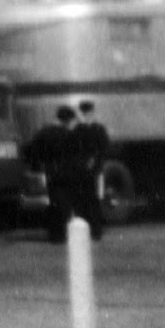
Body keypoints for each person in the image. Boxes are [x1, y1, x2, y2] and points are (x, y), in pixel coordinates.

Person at [25, 105, 77, 242]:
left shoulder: (44, 132)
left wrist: (38, 165)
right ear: (68, 120)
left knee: (54, 202)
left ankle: (54, 234)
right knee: (65, 204)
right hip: (67, 173)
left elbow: (33, 150)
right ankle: (62, 234)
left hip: (51, 172)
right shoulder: (68, 134)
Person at [65, 99, 108, 240]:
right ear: (91, 112)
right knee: (94, 200)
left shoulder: (76, 130)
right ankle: (96, 230)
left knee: (81, 201)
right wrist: (96, 163)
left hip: (79, 169)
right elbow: (104, 148)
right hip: (94, 169)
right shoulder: (99, 129)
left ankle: (85, 230)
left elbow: (71, 149)